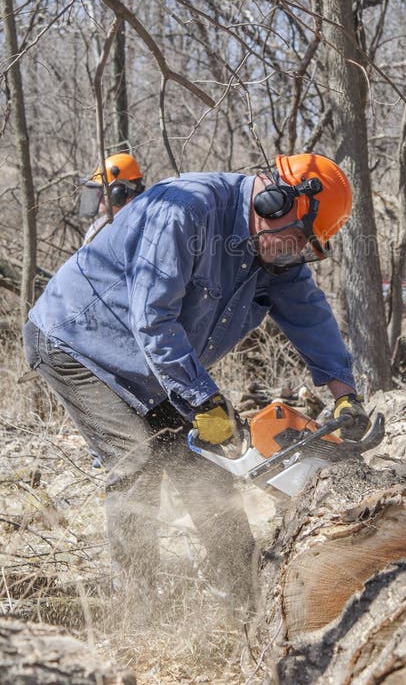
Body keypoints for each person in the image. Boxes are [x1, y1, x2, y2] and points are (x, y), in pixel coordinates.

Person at [22, 153, 370, 608]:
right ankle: (138, 611)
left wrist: (345, 395)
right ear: (274, 200)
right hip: (78, 340)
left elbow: (309, 313)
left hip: (148, 362)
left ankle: (249, 597)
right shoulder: (185, 209)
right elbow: (154, 318)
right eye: (295, 239)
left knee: (205, 465)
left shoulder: (277, 251)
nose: (294, 252)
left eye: (306, 246)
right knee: (136, 461)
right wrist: (203, 400)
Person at [79, 152, 145, 244]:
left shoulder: (145, 227)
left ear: (119, 193)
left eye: (102, 190)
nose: (98, 196)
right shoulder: (97, 228)